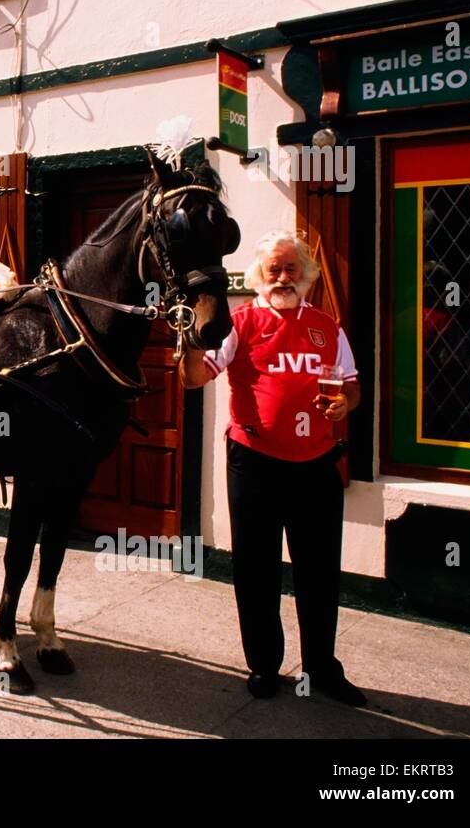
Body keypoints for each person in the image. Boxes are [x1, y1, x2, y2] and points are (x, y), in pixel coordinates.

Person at [179, 229, 367, 707]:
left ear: (305, 275)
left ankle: (322, 668)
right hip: (254, 462)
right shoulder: (241, 322)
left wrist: (344, 405)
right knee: (256, 569)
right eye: (273, 269)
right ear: (259, 277)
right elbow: (196, 378)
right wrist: (188, 339)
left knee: (319, 571)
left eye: (291, 268)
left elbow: (353, 388)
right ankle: (263, 666)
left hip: (317, 465)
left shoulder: (328, 326)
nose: (282, 277)